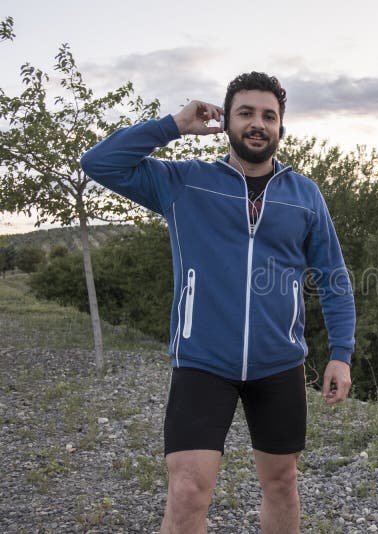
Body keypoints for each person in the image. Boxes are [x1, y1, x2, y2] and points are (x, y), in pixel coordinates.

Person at [81, 72, 356, 533]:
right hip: (203, 360)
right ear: (226, 121)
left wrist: (341, 354)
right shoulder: (185, 183)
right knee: (188, 489)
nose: (257, 123)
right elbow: (100, 163)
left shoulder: (305, 195)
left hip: (279, 362)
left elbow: (333, 277)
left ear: (281, 128)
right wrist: (173, 125)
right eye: (245, 112)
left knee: (283, 482)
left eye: (269, 115)